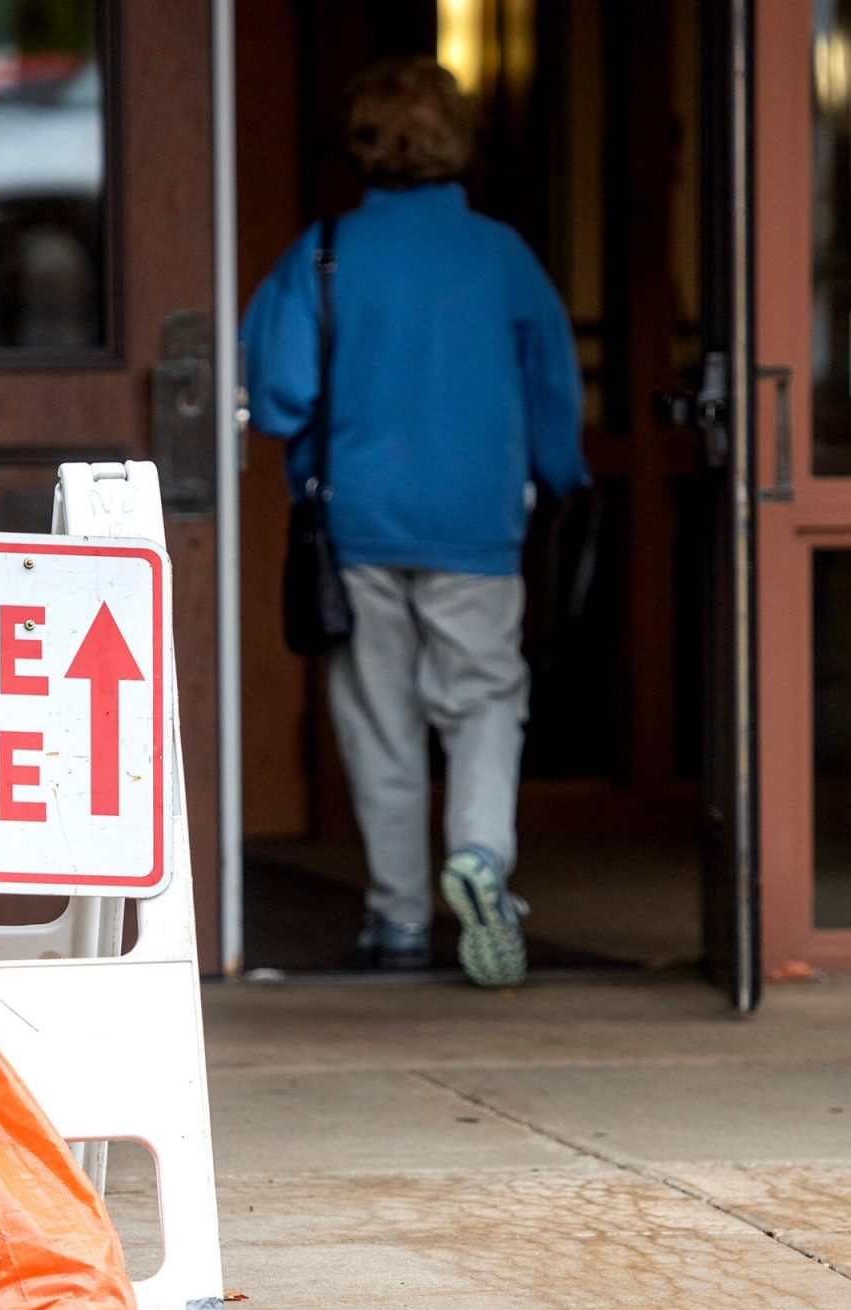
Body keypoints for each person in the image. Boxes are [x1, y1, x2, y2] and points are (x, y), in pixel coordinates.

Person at [242, 55, 588, 988]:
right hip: (476, 523)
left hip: (358, 522)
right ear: (458, 139)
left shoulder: (323, 253)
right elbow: (555, 394)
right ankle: (479, 853)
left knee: (378, 724)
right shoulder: (504, 257)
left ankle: (396, 922)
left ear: (360, 142)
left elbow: (275, 400)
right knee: (482, 700)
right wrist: (563, 477)